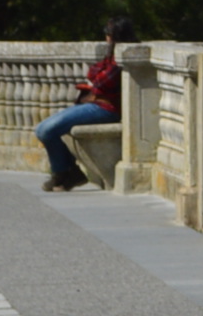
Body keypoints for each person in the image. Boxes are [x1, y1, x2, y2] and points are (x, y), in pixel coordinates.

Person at [38, 17, 136, 192]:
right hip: (95, 104)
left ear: (116, 36)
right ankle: (69, 172)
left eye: (108, 33)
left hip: (106, 109)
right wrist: (95, 80)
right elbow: (94, 71)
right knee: (41, 129)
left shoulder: (121, 59)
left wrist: (95, 81)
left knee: (47, 130)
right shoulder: (111, 56)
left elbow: (101, 82)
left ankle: (63, 173)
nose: (106, 37)